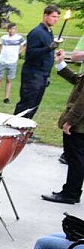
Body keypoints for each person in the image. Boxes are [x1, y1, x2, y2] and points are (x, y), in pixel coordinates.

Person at [42, 52, 84, 204]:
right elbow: (77, 80)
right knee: (77, 158)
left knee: (75, 159)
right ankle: (72, 191)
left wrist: (70, 121)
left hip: (79, 125)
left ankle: (71, 193)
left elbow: (82, 102)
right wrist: (60, 63)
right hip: (79, 123)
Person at [0, 23, 24, 104]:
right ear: (7, 30)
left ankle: (6, 98)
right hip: (2, 61)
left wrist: (18, 53)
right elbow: (0, 45)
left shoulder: (19, 38)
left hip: (12, 61)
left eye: (13, 29)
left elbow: (25, 45)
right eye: (10, 29)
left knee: (9, 79)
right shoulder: (3, 37)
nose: (11, 30)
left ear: (16, 30)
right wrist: (2, 52)